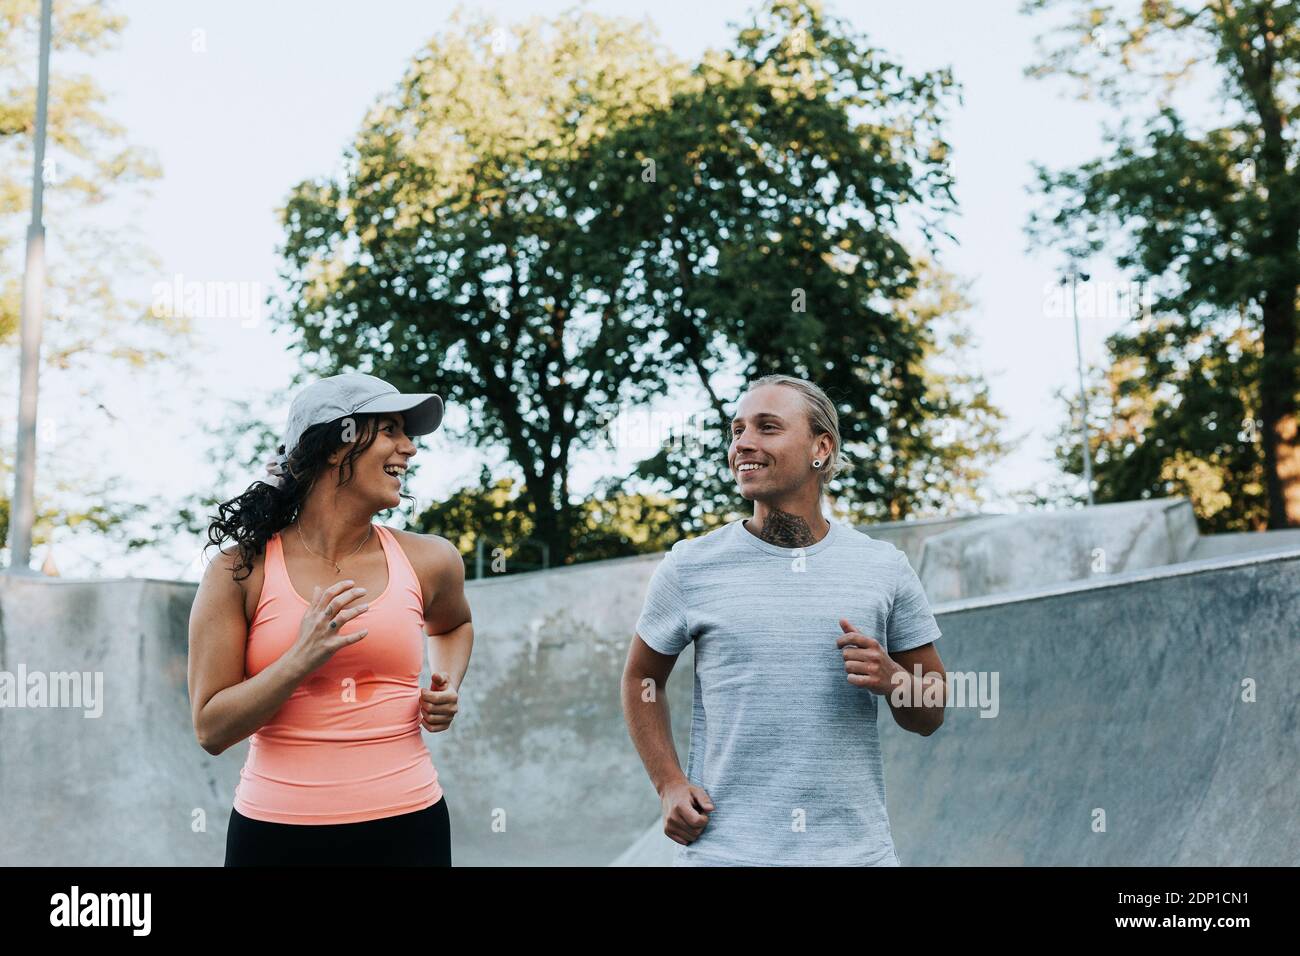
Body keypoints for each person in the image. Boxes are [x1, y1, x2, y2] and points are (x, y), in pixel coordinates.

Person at [621, 374, 948, 866]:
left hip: (853, 855)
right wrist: (669, 783)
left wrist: (895, 680)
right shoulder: (691, 567)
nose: (743, 444)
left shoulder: (882, 567)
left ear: (821, 446)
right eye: (736, 431)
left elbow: (931, 710)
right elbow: (642, 677)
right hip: (727, 853)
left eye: (767, 427)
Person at [188, 372, 473, 866]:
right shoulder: (240, 570)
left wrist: (448, 685)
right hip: (275, 836)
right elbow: (211, 729)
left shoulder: (431, 559)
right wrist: (297, 660)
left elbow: (451, 625)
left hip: (408, 827)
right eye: (390, 429)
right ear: (338, 445)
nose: (410, 447)